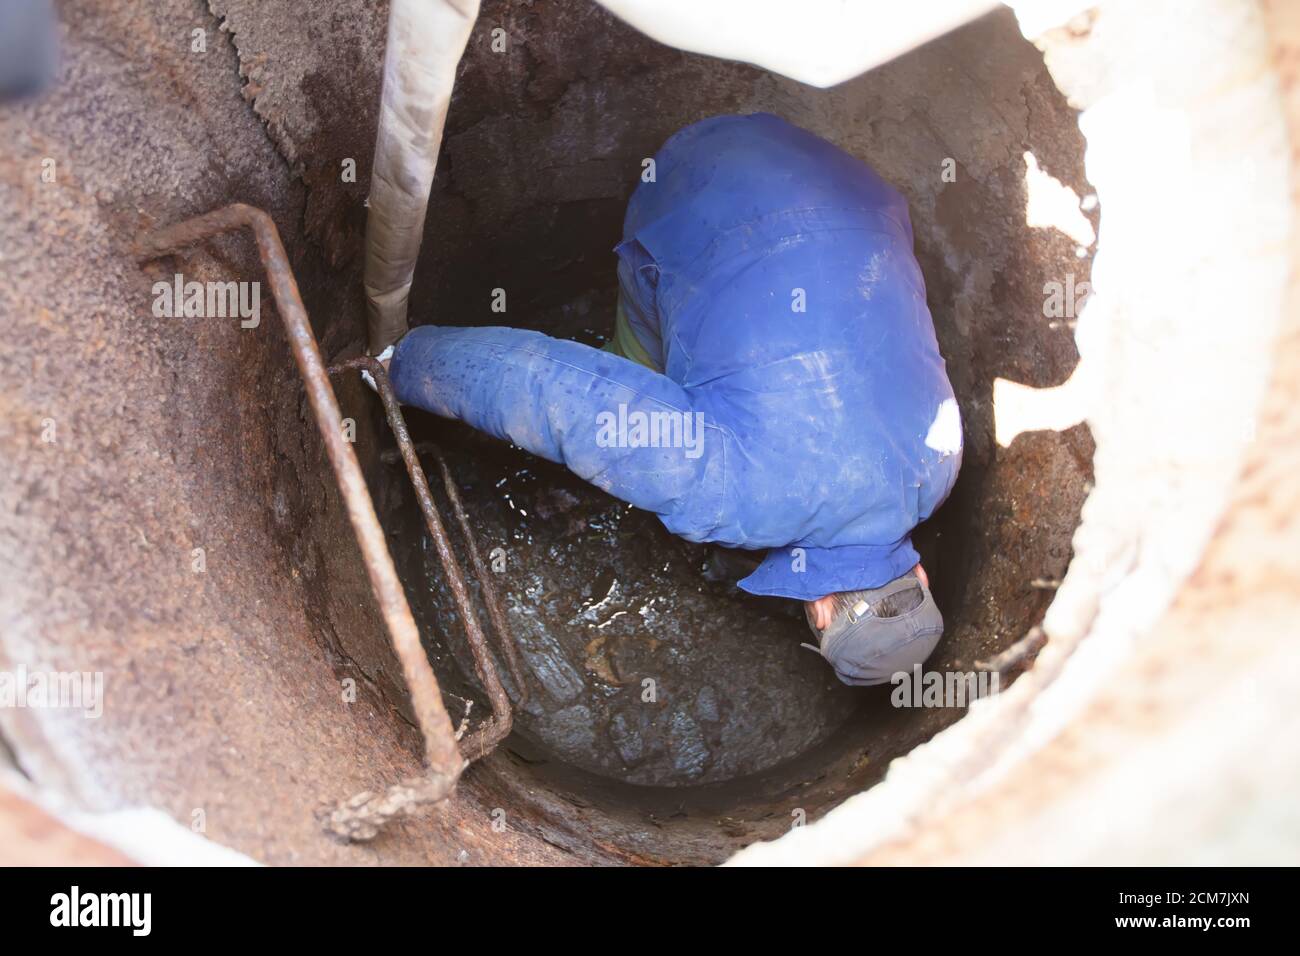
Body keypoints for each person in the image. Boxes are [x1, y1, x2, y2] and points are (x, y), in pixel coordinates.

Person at [377, 113, 962, 686]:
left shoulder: (942, 464)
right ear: (823, 613)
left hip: (844, 183)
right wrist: (400, 363)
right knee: (637, 370)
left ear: (922, 578)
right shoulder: (730, 494)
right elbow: (551, 391)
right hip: (698, 184)